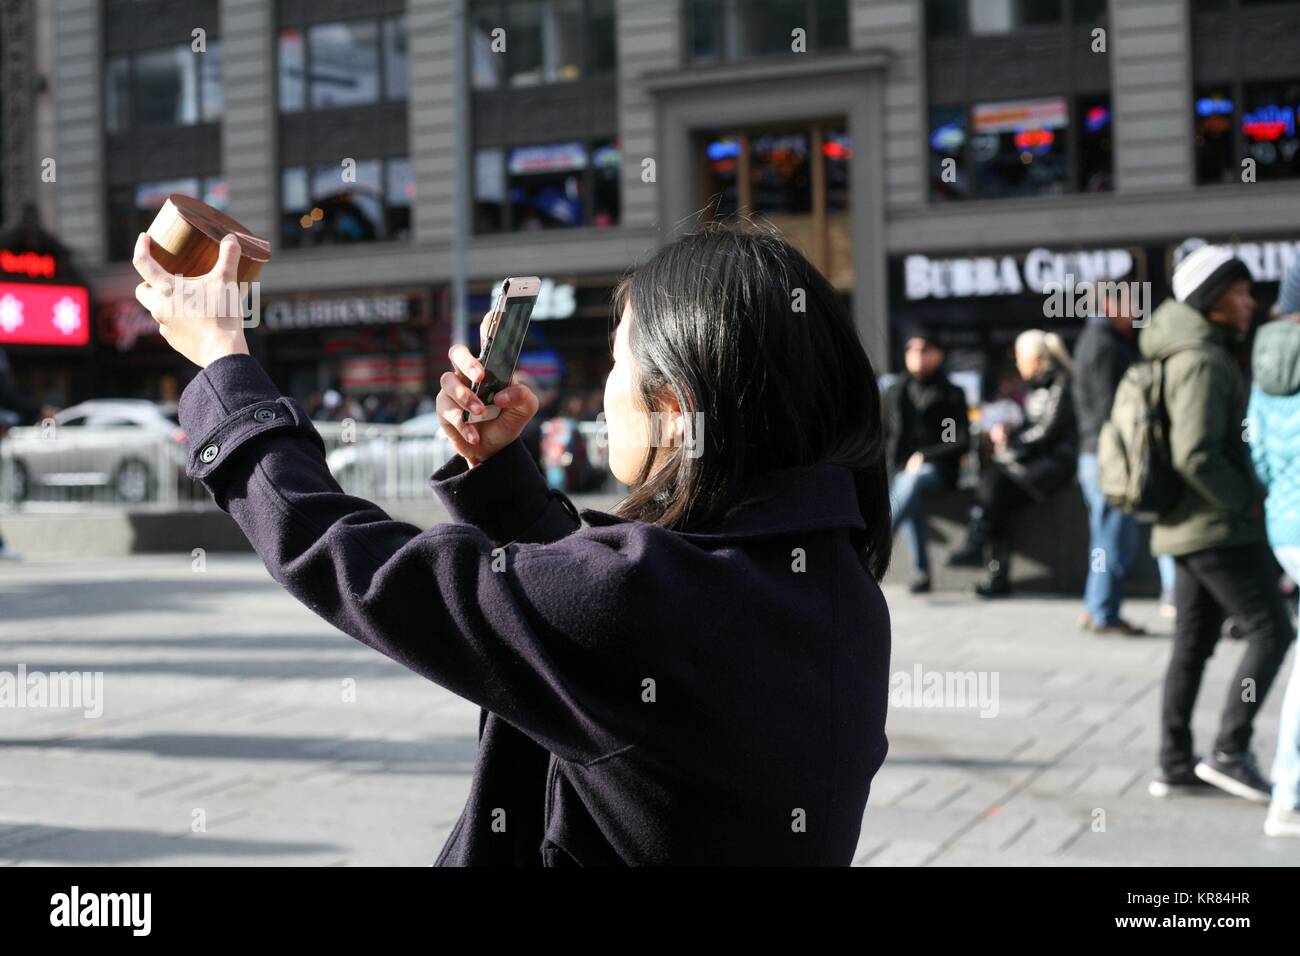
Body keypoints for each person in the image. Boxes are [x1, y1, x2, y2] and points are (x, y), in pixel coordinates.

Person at [129, 223, 893, 866]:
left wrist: (224, 363)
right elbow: (608, 647)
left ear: (674, 408)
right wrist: (497, 476)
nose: (604, 394)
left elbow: (354, 563)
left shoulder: (645, 602)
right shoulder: (835, 586)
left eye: (619, 362)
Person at [1144, 244, 1293, 803]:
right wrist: (1247, 502)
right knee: (1272, 630)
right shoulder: (1201, 358)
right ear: (1211, 300)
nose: (1249, 301)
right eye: (1238, 291)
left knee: (1192, 643)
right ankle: (1230, 750)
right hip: (1215, 524)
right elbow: (1196, 452)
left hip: (1190, 523)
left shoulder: (1193, 348)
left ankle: (1174, 763)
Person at [948, 330, 1077, 598]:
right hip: (1033, 461)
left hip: (1053, 465)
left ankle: (976, 543)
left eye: (1020, 357)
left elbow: (1047, 431)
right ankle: (996, 575)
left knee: (994, 484)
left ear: (1034, 358)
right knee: (996, 500)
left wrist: (1013, 445)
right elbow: (1031, 427)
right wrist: (1008, 434)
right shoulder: (1034, 386)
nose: (1017, 364)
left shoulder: (1061, 384)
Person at [1246, 265, 1300, 836]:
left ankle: (1289, 792)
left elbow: (1258, 455)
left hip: (1285, 523)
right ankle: (1289, 794)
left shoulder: (1265, 363)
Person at [1071, 285, 1146, 635]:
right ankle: (1104, 612)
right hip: (1107, 456)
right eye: (1130, 302)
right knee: (1114, 537)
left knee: (1104, 536)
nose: (1135, 310)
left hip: (1095, 453)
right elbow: (1109, 408)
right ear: (1109, 304)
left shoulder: (1094, 338)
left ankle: (1095, 606)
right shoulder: (1105, 344)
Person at [883, 327, 970, 593]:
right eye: (911, 350)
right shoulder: (895, 392)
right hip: (900, 472)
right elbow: (883, 436)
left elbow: (959, 441)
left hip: (939, 470)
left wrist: (925, 456)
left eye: (924, 350)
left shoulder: (951, 393)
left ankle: (880, 539)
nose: (917, 356)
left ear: (938, 354)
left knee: (912, 481)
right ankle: (922, 574)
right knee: (909, 495)